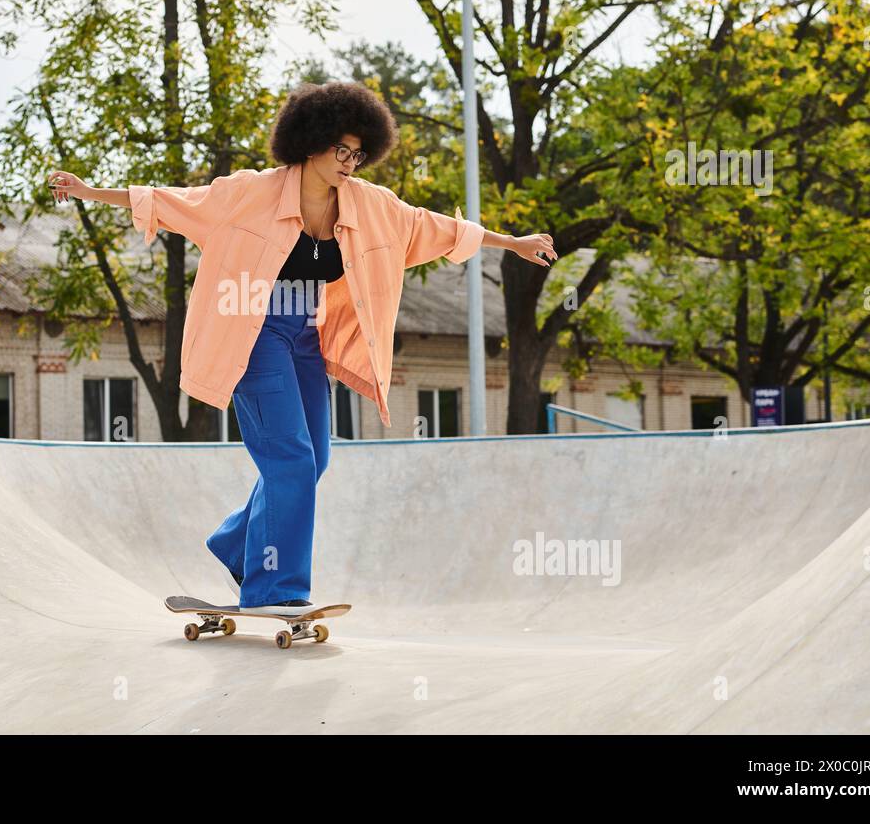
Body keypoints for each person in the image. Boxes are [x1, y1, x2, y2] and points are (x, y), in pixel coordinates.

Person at [47, 81, 555, 615]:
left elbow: (433, 226)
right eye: (341, 150)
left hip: (307, 336)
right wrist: (90, 192)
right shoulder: (252, 193)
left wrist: (512, 243)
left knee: (315, 459)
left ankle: (235, 543)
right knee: (290, 458)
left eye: (359, 154)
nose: (350, 163)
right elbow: (177, 201)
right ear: (311, 142)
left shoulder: (370, 206)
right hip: (254, 329)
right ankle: (275, 587)